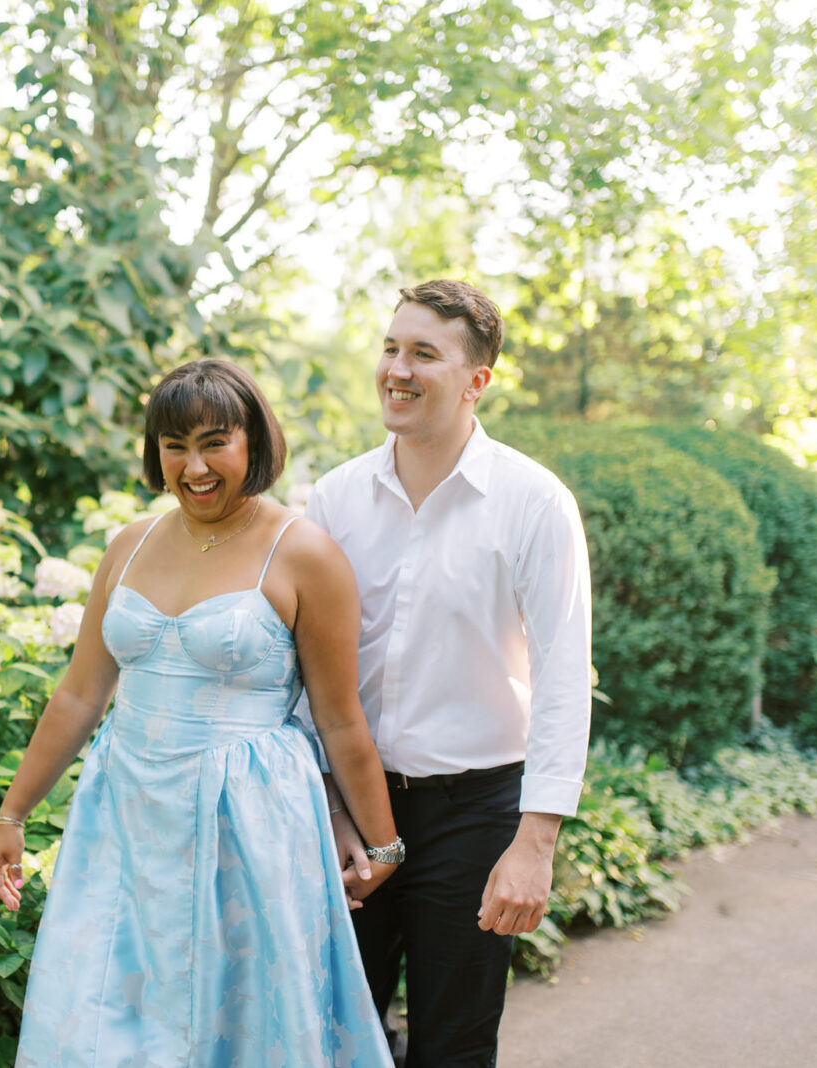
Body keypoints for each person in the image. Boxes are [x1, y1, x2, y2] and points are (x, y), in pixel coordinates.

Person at [0, 358, 401, 1067]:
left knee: (236, 1027)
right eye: (175, 445)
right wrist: (14, 813)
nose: (194, 465)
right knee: (103, 1022)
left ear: (254, 443)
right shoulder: (131, 544)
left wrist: (384, 846)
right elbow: (81, 693)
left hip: (248, 821)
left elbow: (339, 720)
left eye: (215, 442)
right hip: (124, 813)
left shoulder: (304, 553)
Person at [305, 280, 593, 1067]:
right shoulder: (334, 499)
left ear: (476, 381)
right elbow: (299, 666)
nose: (397, 369)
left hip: (475, 812)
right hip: (351, 813)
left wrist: (536, 841)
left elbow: (566, 675)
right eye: (392, 348)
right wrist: (329, 806)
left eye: (424, 354)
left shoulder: (534, 503)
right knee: (335, 1039)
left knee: (455, 1047)